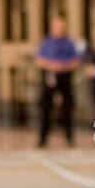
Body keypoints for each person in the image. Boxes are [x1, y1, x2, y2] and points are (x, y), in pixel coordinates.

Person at [36, 13, 78, 147]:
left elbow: (76, 60)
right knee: (46, 108)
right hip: (50, 77)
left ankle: (69, 138)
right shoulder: (46, 42)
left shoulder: (68, 43)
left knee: (67, 108)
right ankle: (42, 139)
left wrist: (64, 66)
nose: (59, 29)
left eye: (61, 27)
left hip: (64, 76)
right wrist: (51, 65)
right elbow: (39, 60)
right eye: (57, 26)